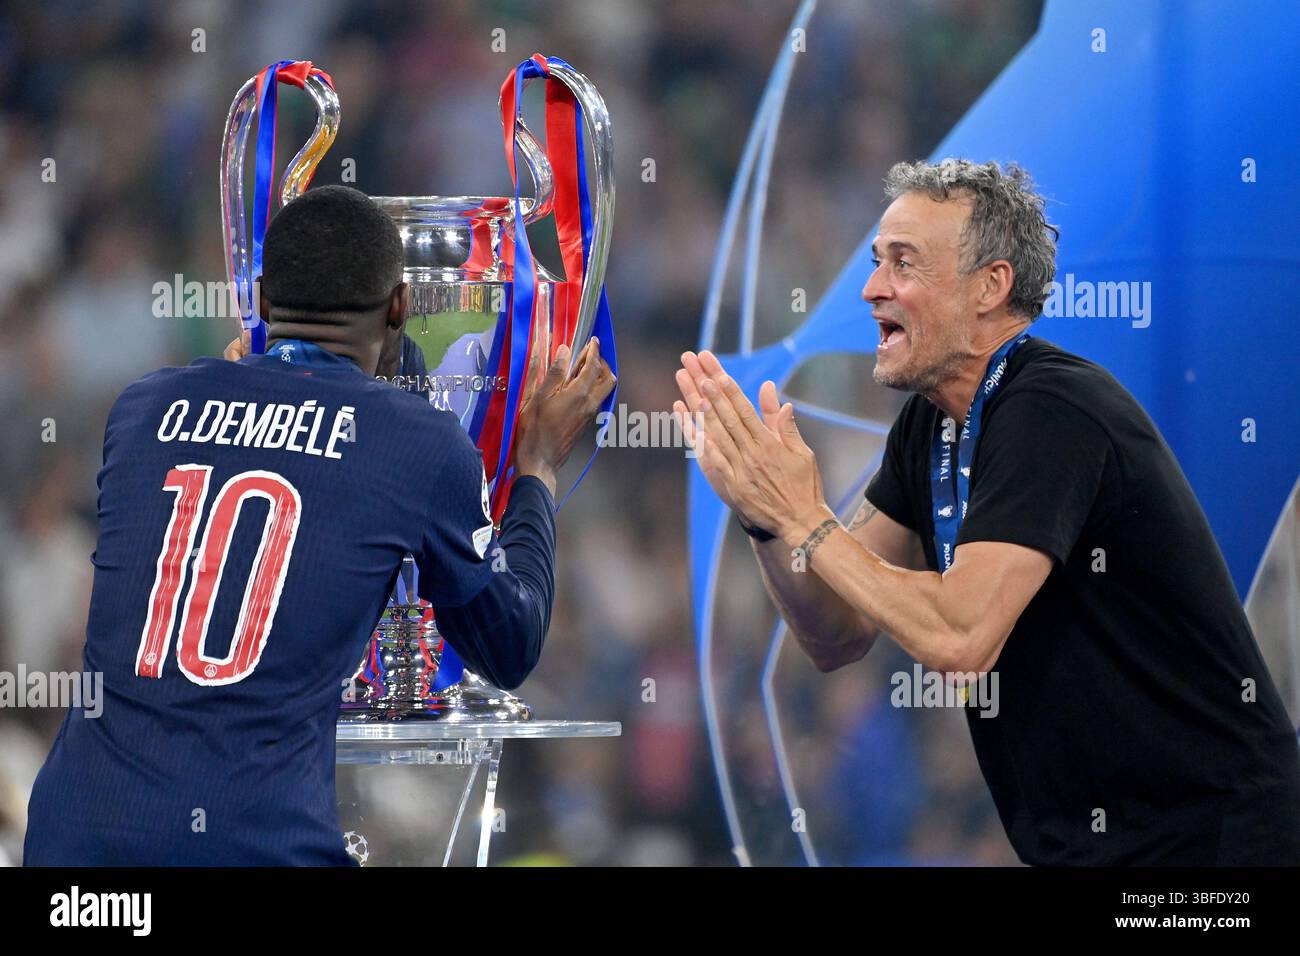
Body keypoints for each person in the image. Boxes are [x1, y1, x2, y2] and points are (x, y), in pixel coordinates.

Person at [673, 159, 1300, 866]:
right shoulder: (930, 426)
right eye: (878, 262)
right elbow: (834, 633)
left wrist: (808, 517)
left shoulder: (1053, 410)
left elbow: (961, 638)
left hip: (1214, 849)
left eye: (902, 264)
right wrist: (767, 518)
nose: (873, 287)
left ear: (990, 287)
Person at [24, 185, 614, 865]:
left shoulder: (141, 409)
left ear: (264, 302)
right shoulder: (413, 443)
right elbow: (511, 646)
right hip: (253, 846)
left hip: (73, 843)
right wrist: (536, 466)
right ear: (399, 307)